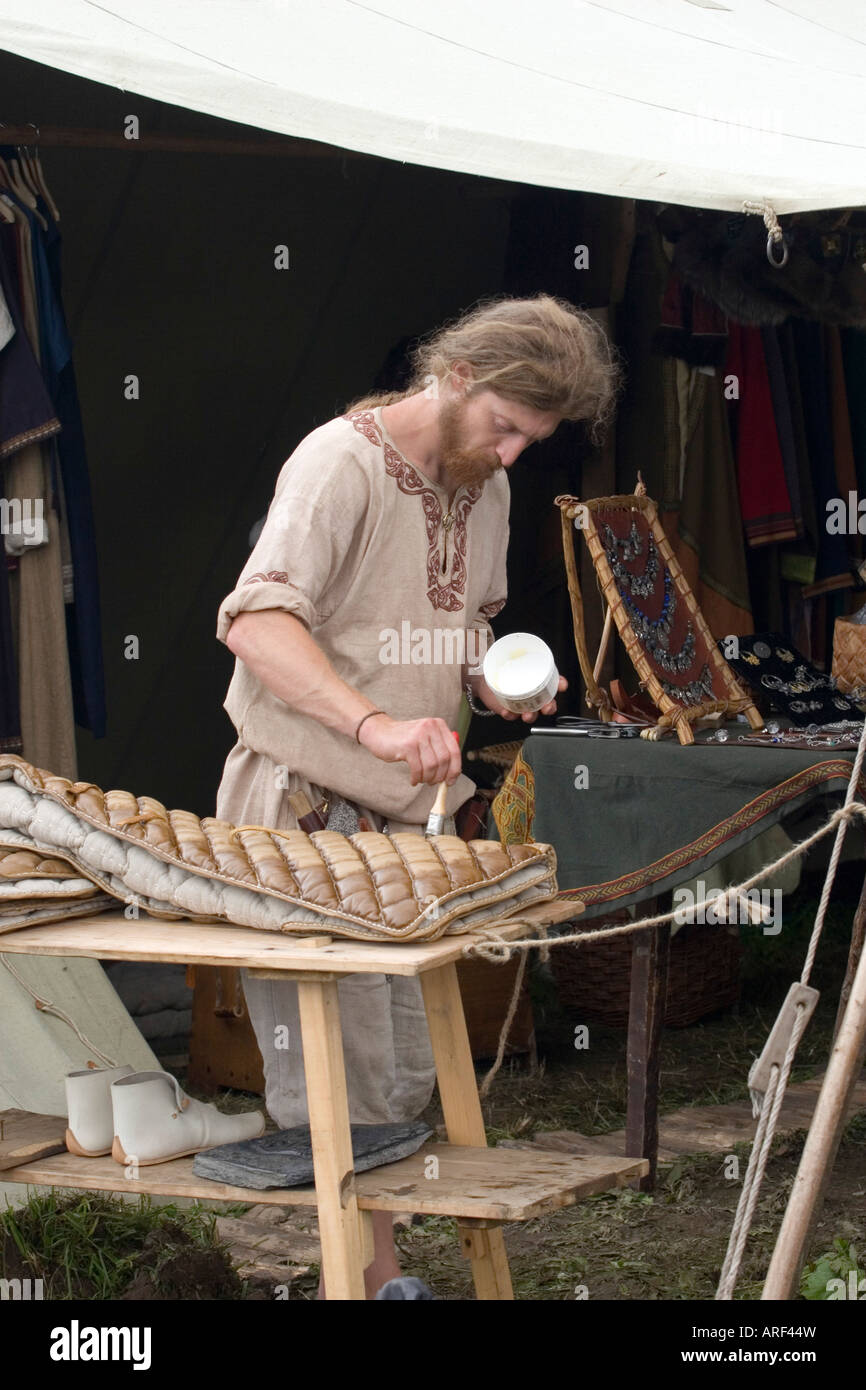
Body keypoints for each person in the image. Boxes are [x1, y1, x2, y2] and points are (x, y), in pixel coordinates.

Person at [215, 293, 619, 1296]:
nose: (516, 453)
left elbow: (459, 621)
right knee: (328, 1078)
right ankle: (368, 1281)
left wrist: (485, 675)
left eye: (534, 439)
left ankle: (376, 1276)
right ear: (458, 377)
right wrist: (375, 725)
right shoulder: (335, 465)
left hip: (402, 821)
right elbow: (254, 625)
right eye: (508, 427)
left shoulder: (484, 486)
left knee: (391, 1066)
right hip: (300, 806)